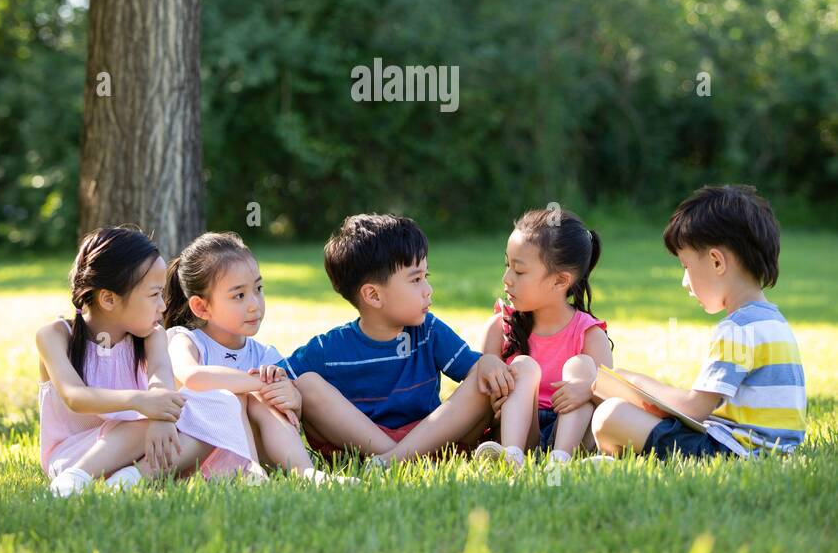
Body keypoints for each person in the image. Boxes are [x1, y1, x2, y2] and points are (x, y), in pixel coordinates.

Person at [36, 225, 264, 496]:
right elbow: (76, 397)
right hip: (78, 455)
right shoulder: (56, 335)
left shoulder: (152, 336)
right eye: (154, 294)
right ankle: (75, 480)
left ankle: (130, 481)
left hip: (143, 447)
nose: (164, 306)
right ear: (109, 299)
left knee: (219, 407)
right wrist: (142, 404)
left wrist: (162, 419)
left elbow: (162, 384)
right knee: (144, 425)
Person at [592, 185, 806, 461]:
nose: (684, 282)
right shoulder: (774, 322)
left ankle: (613, 460)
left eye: (685, 266)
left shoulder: (737, 329)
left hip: (730, 452)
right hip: (766, 450)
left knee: (610, 415)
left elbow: (695, 408)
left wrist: (633, 381)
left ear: (717, 262)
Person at [283, 213, 512, 465]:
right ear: (373, 296)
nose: (428, 290)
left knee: (483, 376)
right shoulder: (328, 349)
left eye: (427, 276)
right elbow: (276, 376)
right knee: (306, 384)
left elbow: (473, 373)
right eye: (416, 279)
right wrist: (288, 391)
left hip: (431, 437)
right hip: (364, 445)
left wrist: (488, 361)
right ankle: (398, 457)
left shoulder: (429, 330)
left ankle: (394, 458)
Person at [164, 231, 342, 483]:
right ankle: (249, 471)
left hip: (261, 452)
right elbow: (193, 377)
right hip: (199, 450)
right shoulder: (185, 340)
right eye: (239, 295)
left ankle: (304, 472)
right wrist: (256, 384)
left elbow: (290, 417)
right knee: (240, 394)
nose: (254, 304)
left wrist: (292, 398)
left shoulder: (265, 355)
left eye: (258, 288)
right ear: (202, 307)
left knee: (261, 396)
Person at [475, 205, 614, 468]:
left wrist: (589, 390)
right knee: (524, 365)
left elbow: (613, 398)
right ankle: (512, 456)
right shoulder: (499, 326)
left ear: (561, 281)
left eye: (519, 271)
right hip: (522, 432)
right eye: (507, 265)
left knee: (583, 368)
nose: (507, 279)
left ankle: (560, 461)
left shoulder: (589, 333)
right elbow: (482, 397)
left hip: (574, 431)